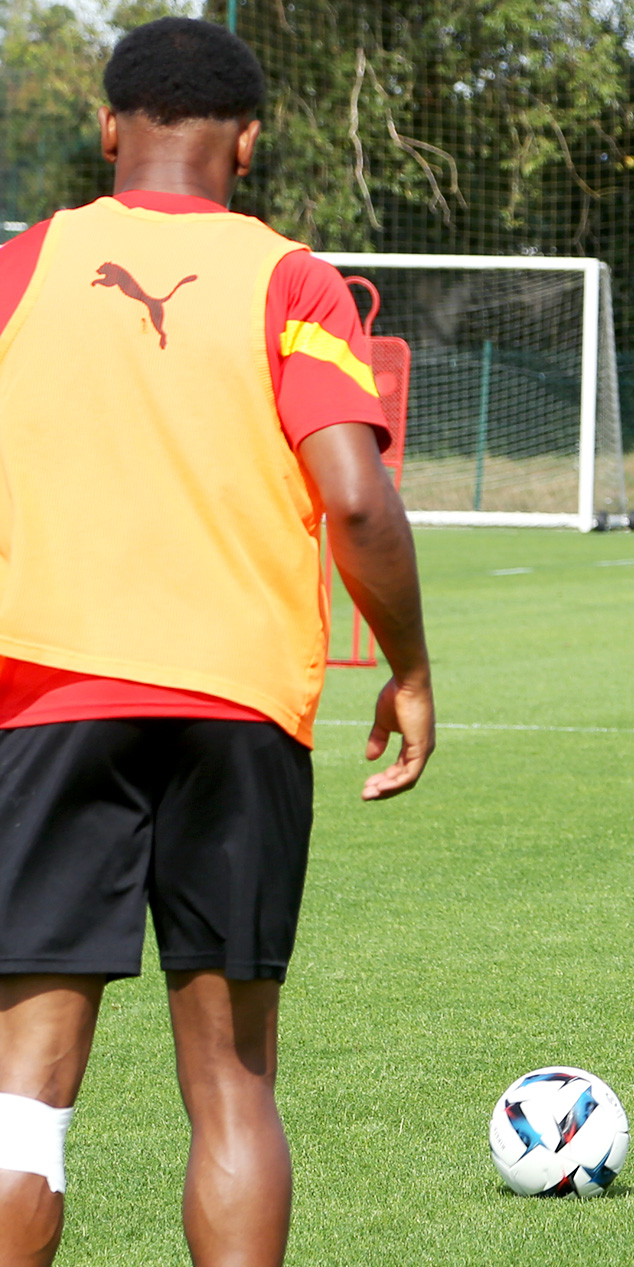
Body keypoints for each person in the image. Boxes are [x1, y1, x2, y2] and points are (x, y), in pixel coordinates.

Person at [0, 19, 432, 1266]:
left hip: (49, 695)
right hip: (237, 706)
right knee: (233, 1080)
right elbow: (356, 496)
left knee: (26, 1087)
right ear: (248, 142)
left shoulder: (28, 264)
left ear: (106, 130)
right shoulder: (291, 278)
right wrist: (406, 670)